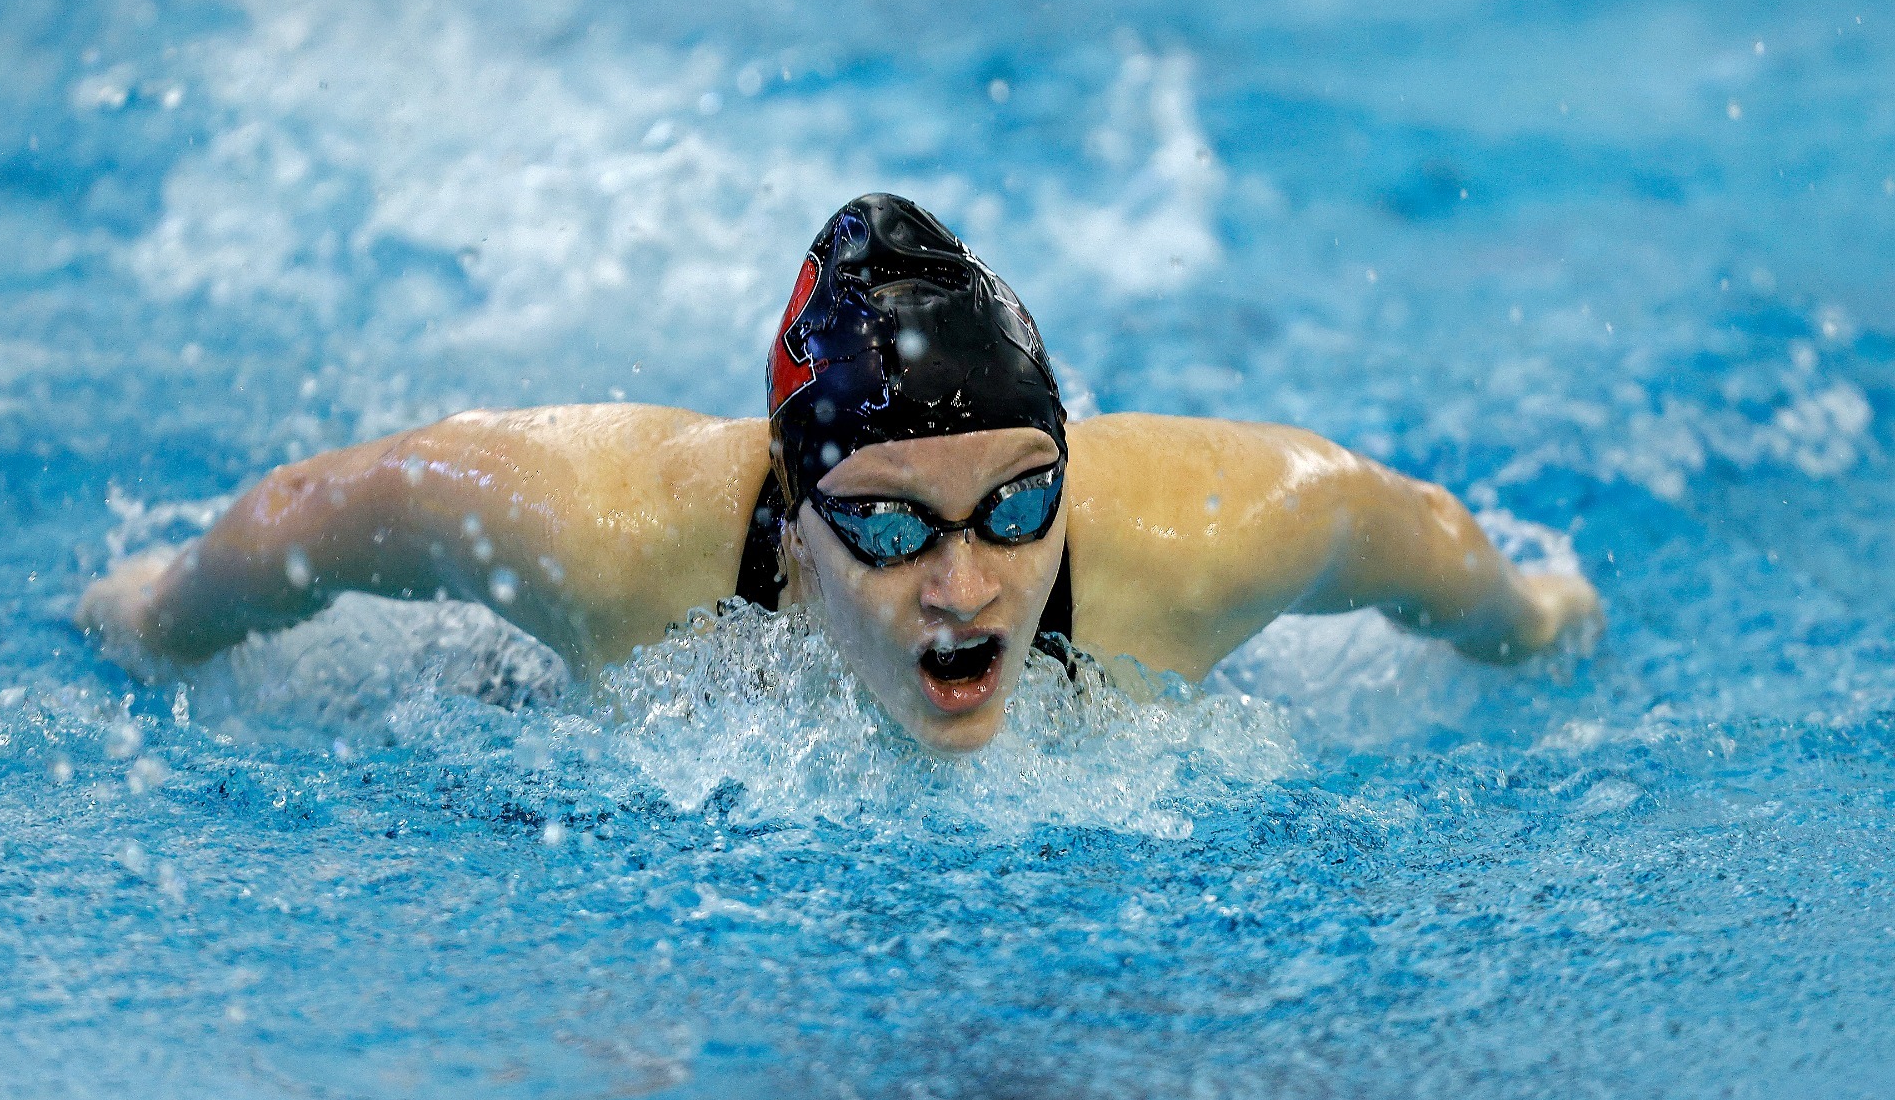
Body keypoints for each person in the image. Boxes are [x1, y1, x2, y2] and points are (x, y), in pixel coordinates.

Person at [78, 193, 1602, 754]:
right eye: (884, 524)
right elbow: (316, 515)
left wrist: (1534, 620)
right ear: (792, 528)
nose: (966, 583)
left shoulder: (1201, 543)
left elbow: (1403, 531)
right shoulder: (602, 536)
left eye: (1017, 507)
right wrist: (158, 617)